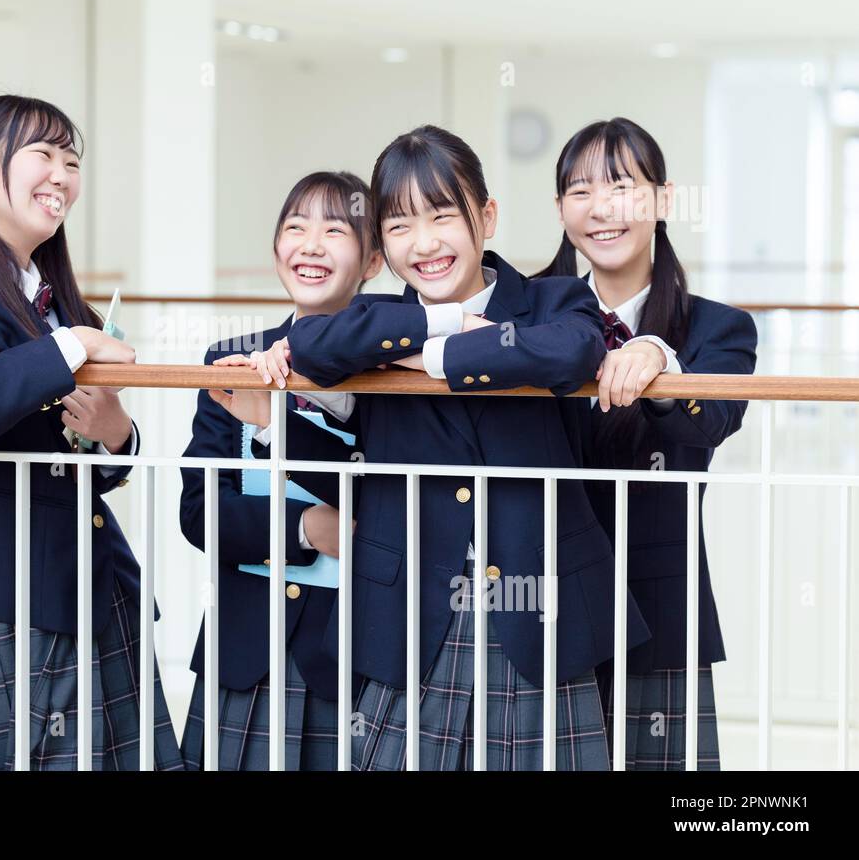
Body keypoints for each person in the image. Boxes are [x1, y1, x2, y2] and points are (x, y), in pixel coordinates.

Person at [264, 124, 651, 769]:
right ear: (380, 244)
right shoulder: (372, 325)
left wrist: (440, 357)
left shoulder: (555, 300)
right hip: (408, 606)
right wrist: (440, 322)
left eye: (443, 216)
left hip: (537, 603)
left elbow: (575, 349)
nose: (425, 244)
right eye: (399, 226)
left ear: (487, 216)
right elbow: (311, 346)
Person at [0, 93, 183, 769]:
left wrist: (117, 434)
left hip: (92, 577)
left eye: (72, 161)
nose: (61, 175)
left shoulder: (58, 299)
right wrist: (69, 349)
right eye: (44, 155)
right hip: (10, 586)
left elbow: (100, 467)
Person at [536, 117, 757, 769]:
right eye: (581, 190)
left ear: (663, 201)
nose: (602, 208)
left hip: (656, 610)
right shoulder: (528, 317)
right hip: (538, 608)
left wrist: (658, 358)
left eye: (623, 186)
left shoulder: (716, 328)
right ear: (560, 210)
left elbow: (709, 424)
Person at [178, 171, 379, 770]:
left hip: (355, 657)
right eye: (295, 228)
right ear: (276, 251)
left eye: (334, 230)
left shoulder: (396, 373)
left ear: (372, 261)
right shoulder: (232, 360)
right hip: (245, 649)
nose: (310, 244)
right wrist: (307, 527)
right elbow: (201, 511)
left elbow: (390, 503)